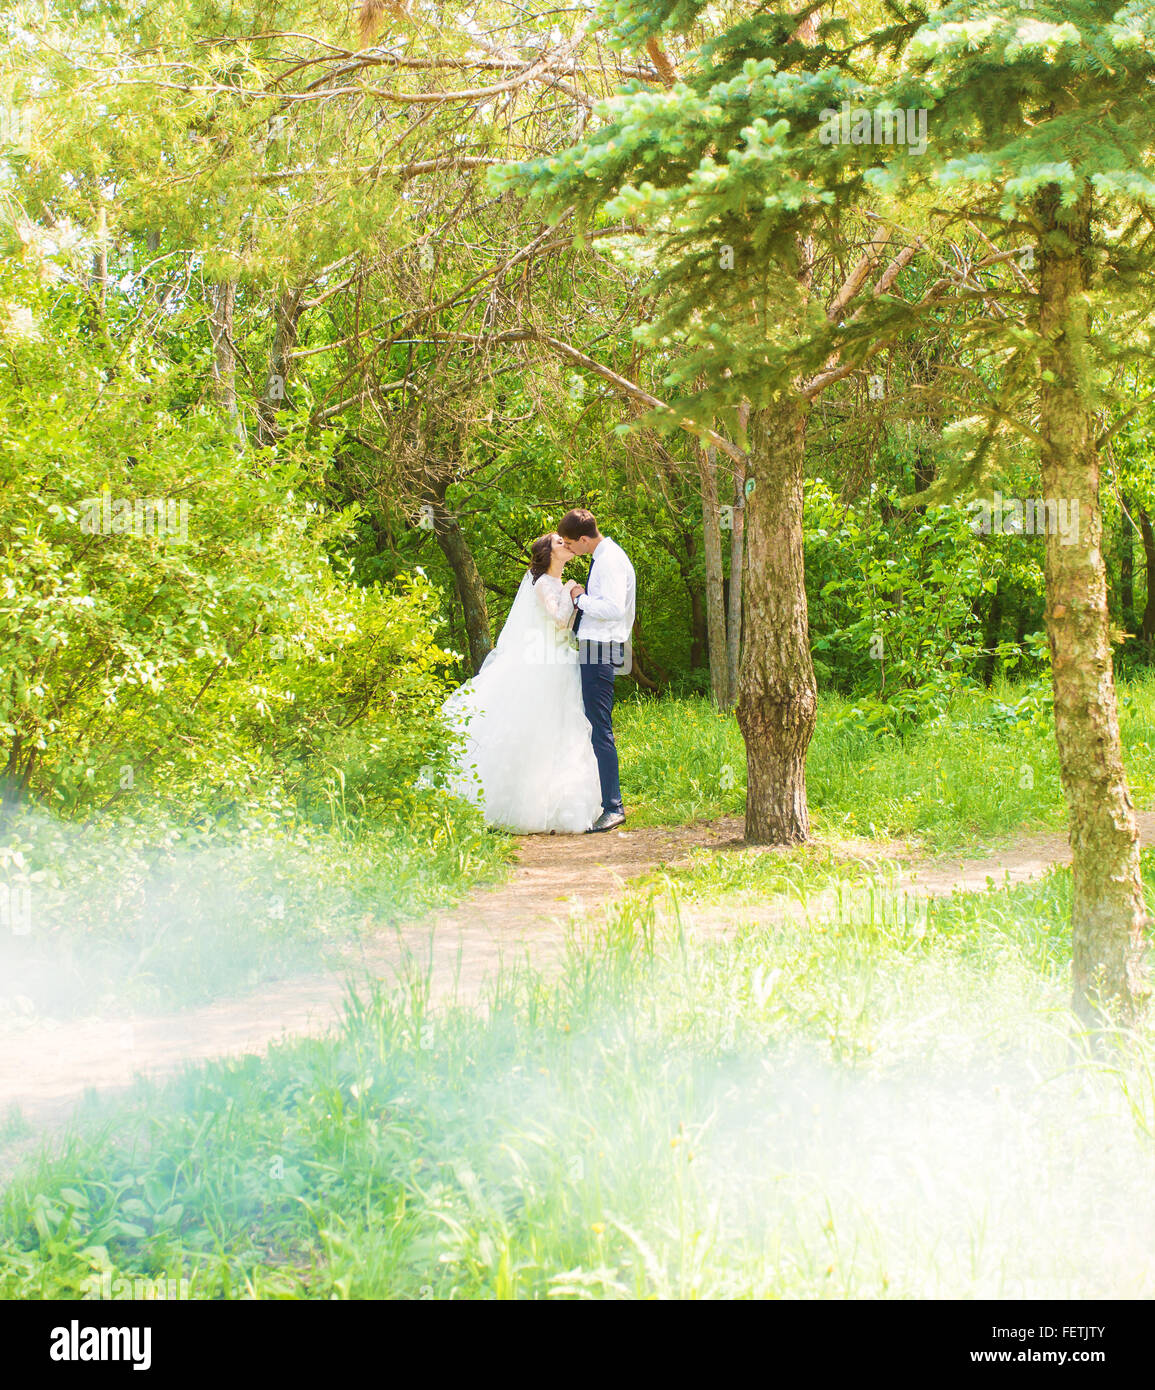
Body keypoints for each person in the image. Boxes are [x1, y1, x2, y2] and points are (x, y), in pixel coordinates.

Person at [441, 533, 602, 833]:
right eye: (558, 543)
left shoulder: (559, 583)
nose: (566, 545)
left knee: (563, 729)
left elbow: (567, 625)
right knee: (537, 730)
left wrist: (574, 597)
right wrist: (572, 593)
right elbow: (558, 621)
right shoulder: (541, 583)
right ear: (548, 553)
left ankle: (560, 800)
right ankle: (522, 803)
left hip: (560, 661)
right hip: (542, 665)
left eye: (566, 542)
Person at [556, 508, 636, 833]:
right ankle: (606, 802)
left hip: (600, 650)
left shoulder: (610, 561)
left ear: (585, 539)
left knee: (600, 727)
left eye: (572, 544)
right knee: (594, 724)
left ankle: (613, 807)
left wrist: (580, 598)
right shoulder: (602, 558)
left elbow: (615, 608)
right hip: (593, 648)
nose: (570, 550)